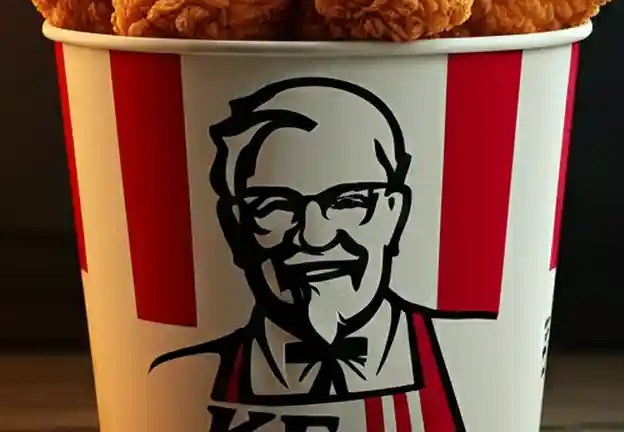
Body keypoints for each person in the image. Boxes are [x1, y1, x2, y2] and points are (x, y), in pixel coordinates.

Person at [152, 78, 463, 429]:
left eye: (349, 202)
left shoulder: (479, 356)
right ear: (236, 228)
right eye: (274, 206)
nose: (315, 237)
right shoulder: (172, 379)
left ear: (393, 214)